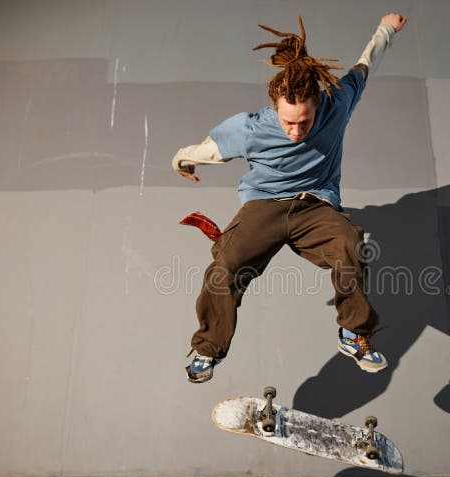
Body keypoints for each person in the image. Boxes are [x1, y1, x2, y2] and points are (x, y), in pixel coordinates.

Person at [173, 13, 409, 383]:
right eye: (288, 123)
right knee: (227, 264)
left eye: (304, 121)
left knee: (350, 243)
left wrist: (386, 30)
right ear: (275, 107)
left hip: (314, 205)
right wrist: (181, 160)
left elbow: (366, 64)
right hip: (264, 205)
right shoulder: (251, 127)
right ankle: (207, 348)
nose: (296, 131)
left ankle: (353, 333)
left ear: (318, 104)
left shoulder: (338, 104)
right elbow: (211, 149)